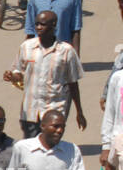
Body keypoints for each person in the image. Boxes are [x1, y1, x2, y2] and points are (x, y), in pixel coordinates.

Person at [5, 10, 85, 142]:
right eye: (36, 24)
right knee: (31, 149)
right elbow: (19, 72)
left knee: (51, 149)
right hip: (30, 112)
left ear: (54, 25)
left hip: (54, 110)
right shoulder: (26, 47)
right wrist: (13, 76)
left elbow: (73, 83)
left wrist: (79, 112)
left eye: (42, 24)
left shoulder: (66, 51)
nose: (38, 28)